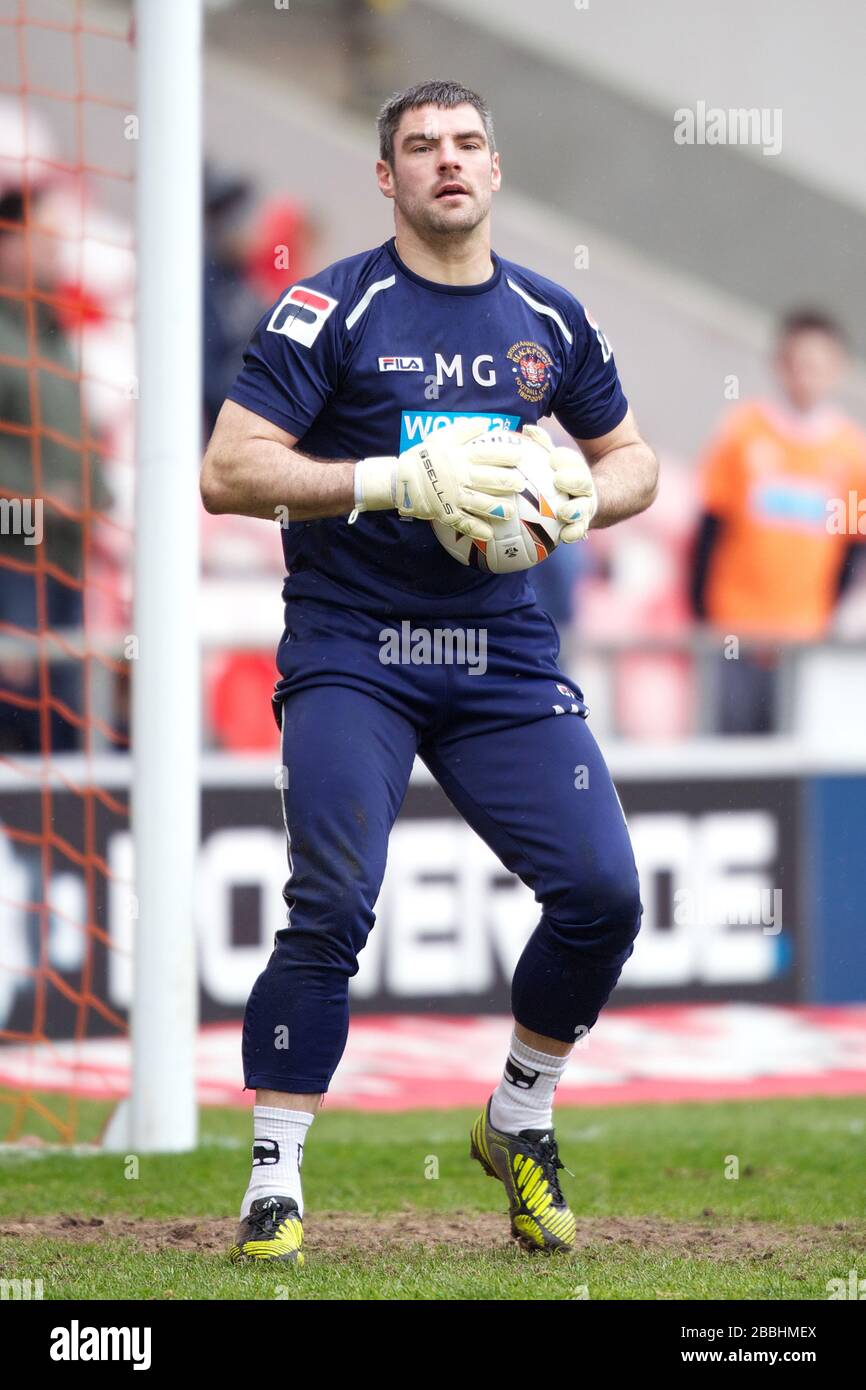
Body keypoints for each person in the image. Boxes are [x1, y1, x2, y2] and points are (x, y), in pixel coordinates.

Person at [201, 79, 658, 1264]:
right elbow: (230, 468)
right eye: (419, 147)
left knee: (605, 894)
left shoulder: (547, 321)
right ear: (387, 179)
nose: (445, 162)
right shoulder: (329, 310)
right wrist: (386, 481)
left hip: (499, 657)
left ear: (494, 171)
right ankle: (274, 1176)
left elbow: (635, 459)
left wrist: (579, 495)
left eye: (465, 144)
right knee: (333, 901)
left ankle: (519, 1114)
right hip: (355, 650)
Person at [691, 310, 866, 734]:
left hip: (804, 637)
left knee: (793, 750)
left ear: (838, 369)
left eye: (819, 365)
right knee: (731, 743)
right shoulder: (742, 433)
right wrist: (700, 610)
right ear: (780, 364)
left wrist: (829, 612)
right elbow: (710, 526)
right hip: (735, 627)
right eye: (798, 363)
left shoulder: (850, 452)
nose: (807, 376)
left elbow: (853, 545)